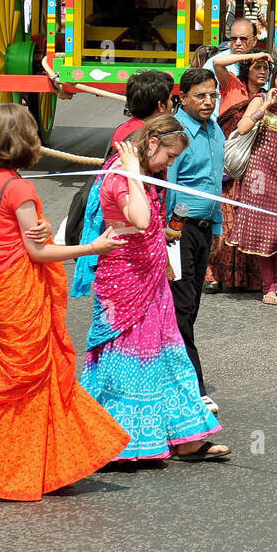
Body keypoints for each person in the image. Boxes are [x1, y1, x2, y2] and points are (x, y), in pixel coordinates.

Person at [0, 107, 131, 499]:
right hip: (20, 292)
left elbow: (3, 235)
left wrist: (40, 232)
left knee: (37, 380)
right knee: (13, 381)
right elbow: (37, 253)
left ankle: (48, 466)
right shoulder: (19, 189)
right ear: (25, 140)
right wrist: (93, 246)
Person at [80, 118, 228, 462]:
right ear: (151, 146)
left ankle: (188, 438)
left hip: (152, 279)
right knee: (124, 364)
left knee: (170, 358)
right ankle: (111, 444)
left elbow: (151, 228)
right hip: (124, 283)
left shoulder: (142, 174)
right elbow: (142, 219)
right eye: (170, 156)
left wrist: (164, 262)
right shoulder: (121, 175)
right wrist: (133, 171)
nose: (171, 164)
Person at [224, 62, 277, 304]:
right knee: (262, 230)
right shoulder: (261, 100)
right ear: (273, 81)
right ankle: (269, 286)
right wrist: (265, 106)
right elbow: (242, 128)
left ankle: (275, 281)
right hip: (259, 177)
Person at [166, 68, 224, 407]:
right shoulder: (176, 133)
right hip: (178, 232)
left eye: (212, 95)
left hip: (203, 231)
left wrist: (216, 226)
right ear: (183, 97)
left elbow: (215, 184)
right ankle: (192, 389)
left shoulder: (215, 129)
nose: (208, 102)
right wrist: (168, 237)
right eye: (200, 95)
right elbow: (168, 188)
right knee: (181, 307)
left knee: (191, 308)